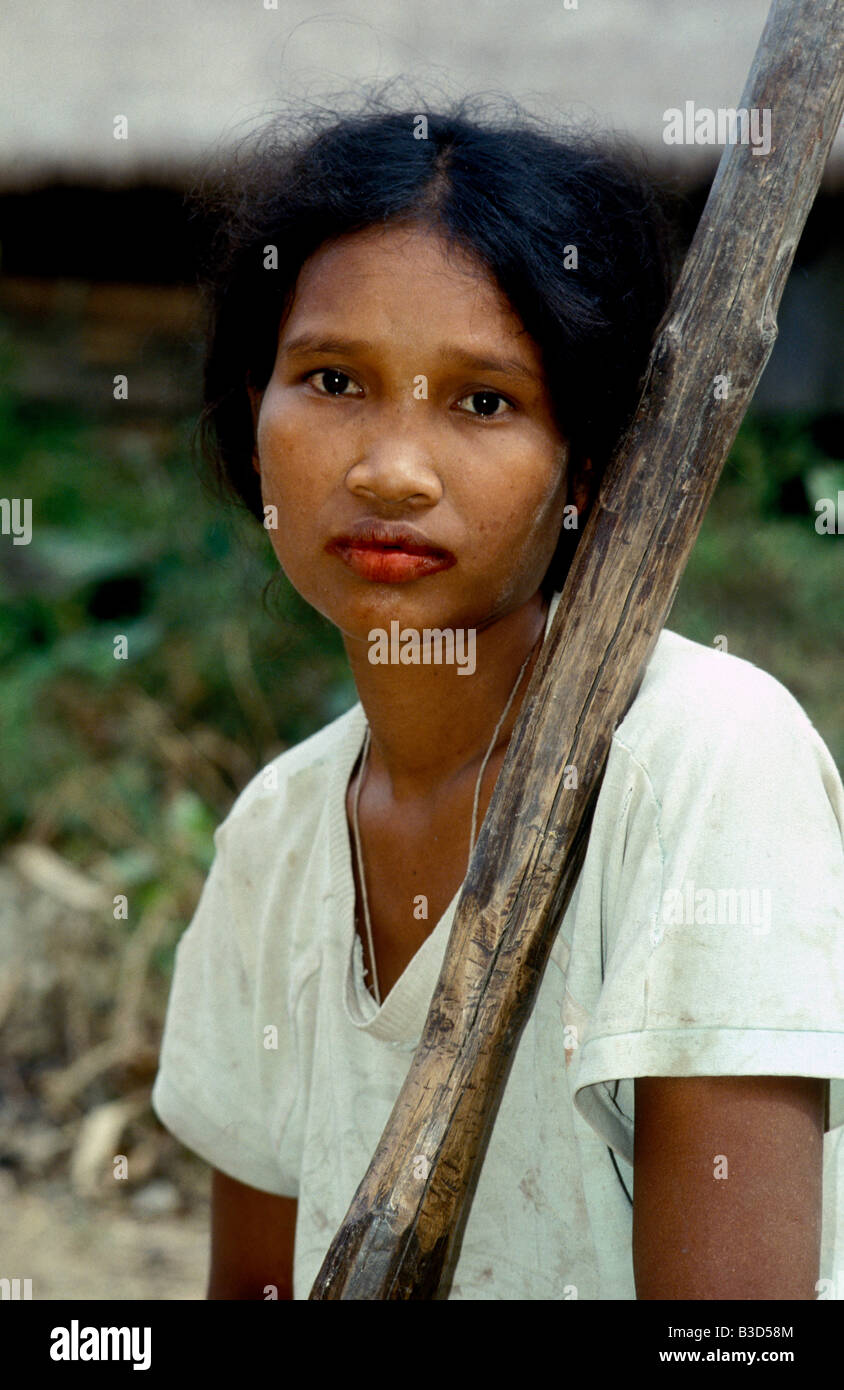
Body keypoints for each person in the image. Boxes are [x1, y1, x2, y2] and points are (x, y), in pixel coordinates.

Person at [151, 99, 844, 1300]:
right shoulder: (274, 833)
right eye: (330, 378)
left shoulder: (701, 763)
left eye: (483, 401)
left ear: (585, 467)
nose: (390, 469)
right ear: (250, 419)